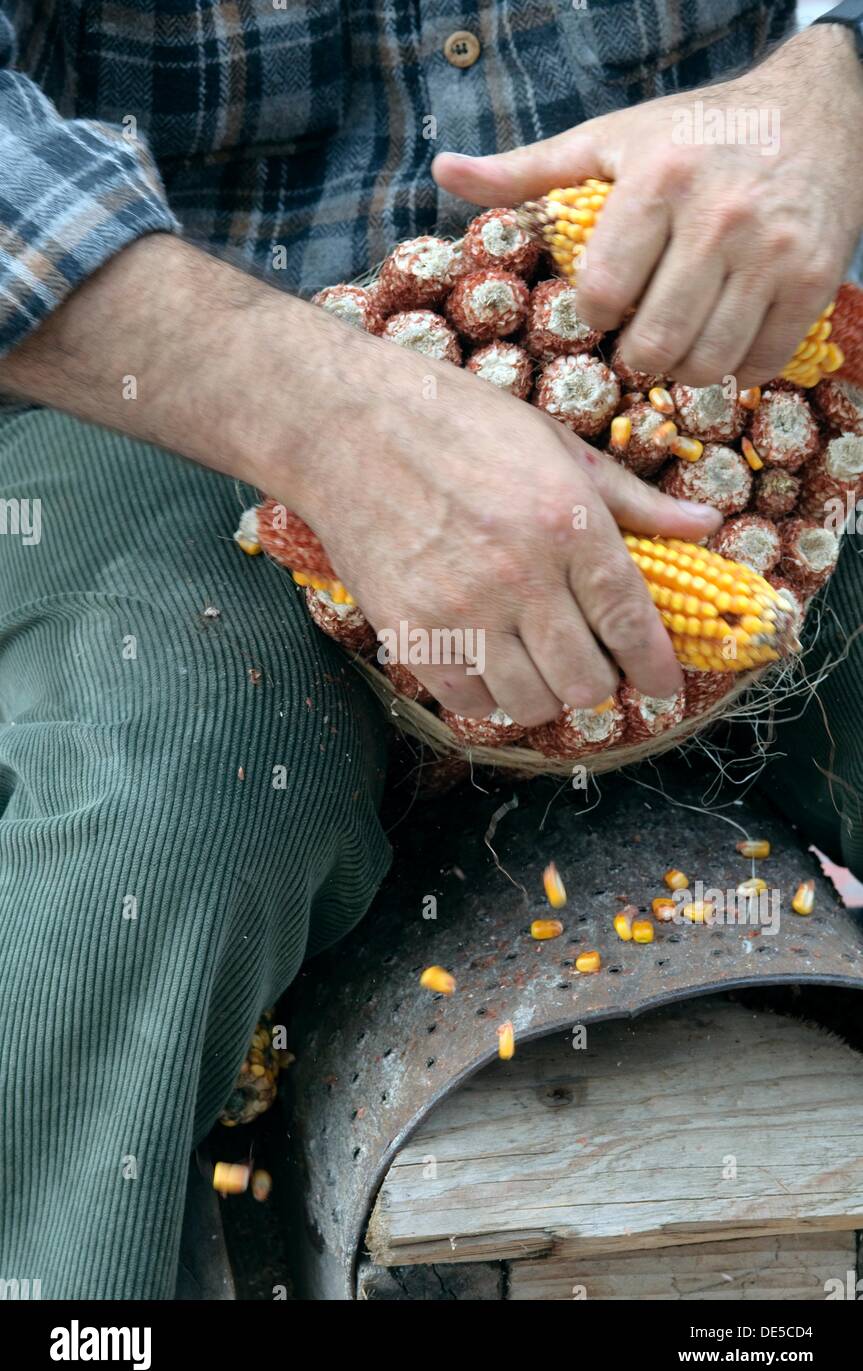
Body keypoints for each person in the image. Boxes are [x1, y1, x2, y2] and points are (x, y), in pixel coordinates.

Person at [1, 0, 861, 1298]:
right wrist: (339, 419)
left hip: (719, 337)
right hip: (152, 373)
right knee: (173, 777)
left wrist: (829, 86)